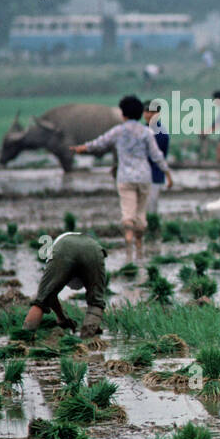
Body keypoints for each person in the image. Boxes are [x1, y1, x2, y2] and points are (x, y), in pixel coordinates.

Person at [71, 94, 172, 263]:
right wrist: (168, 173)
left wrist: (82, 148)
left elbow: (100, 143)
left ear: (123, 114)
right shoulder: (146, 132)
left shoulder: (118, 131)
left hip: (125, 177)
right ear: (141, 113)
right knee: (141, 213)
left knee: (128, 211)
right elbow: (157, 156)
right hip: (144, 177)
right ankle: (139, 246)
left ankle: (128, 241)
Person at [23, 232, 108, 339]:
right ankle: (86, 342)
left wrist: (60, 316)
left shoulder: (55, 251)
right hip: (94, 249)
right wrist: (62, 318)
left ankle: (24, 340)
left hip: (64, 248)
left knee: (41, 300)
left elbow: (49, 296)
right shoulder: (85, 244)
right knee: (96, 302)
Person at [142, 99, 171, 217]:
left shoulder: (161, 133)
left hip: (154, 174)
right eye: (146, 111)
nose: (148, 115)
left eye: (152, 112)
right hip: (140, 175)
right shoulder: (140, 130)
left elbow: (159, 156)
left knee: (151, 208)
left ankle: (151, 232)